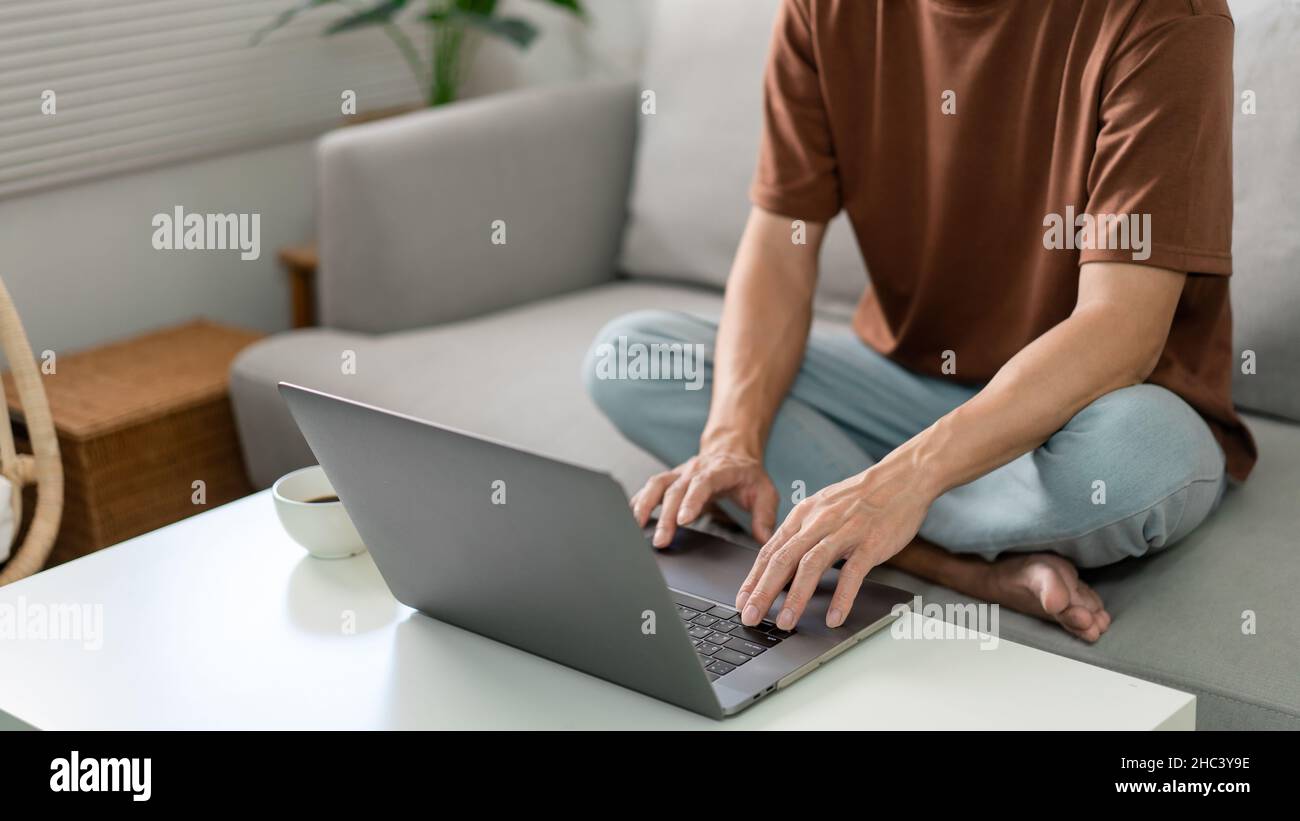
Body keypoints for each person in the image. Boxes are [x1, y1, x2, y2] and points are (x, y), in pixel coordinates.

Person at [584, 0, 1253, 642]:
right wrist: (733, 439)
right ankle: (952, 563)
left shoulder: (1165, 16)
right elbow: (781, 243)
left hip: (1091, 412)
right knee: (631, 356)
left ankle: (858, 511)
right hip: (907, 388)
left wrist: (902, 481)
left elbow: (1120, 331)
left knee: (1138, 458)